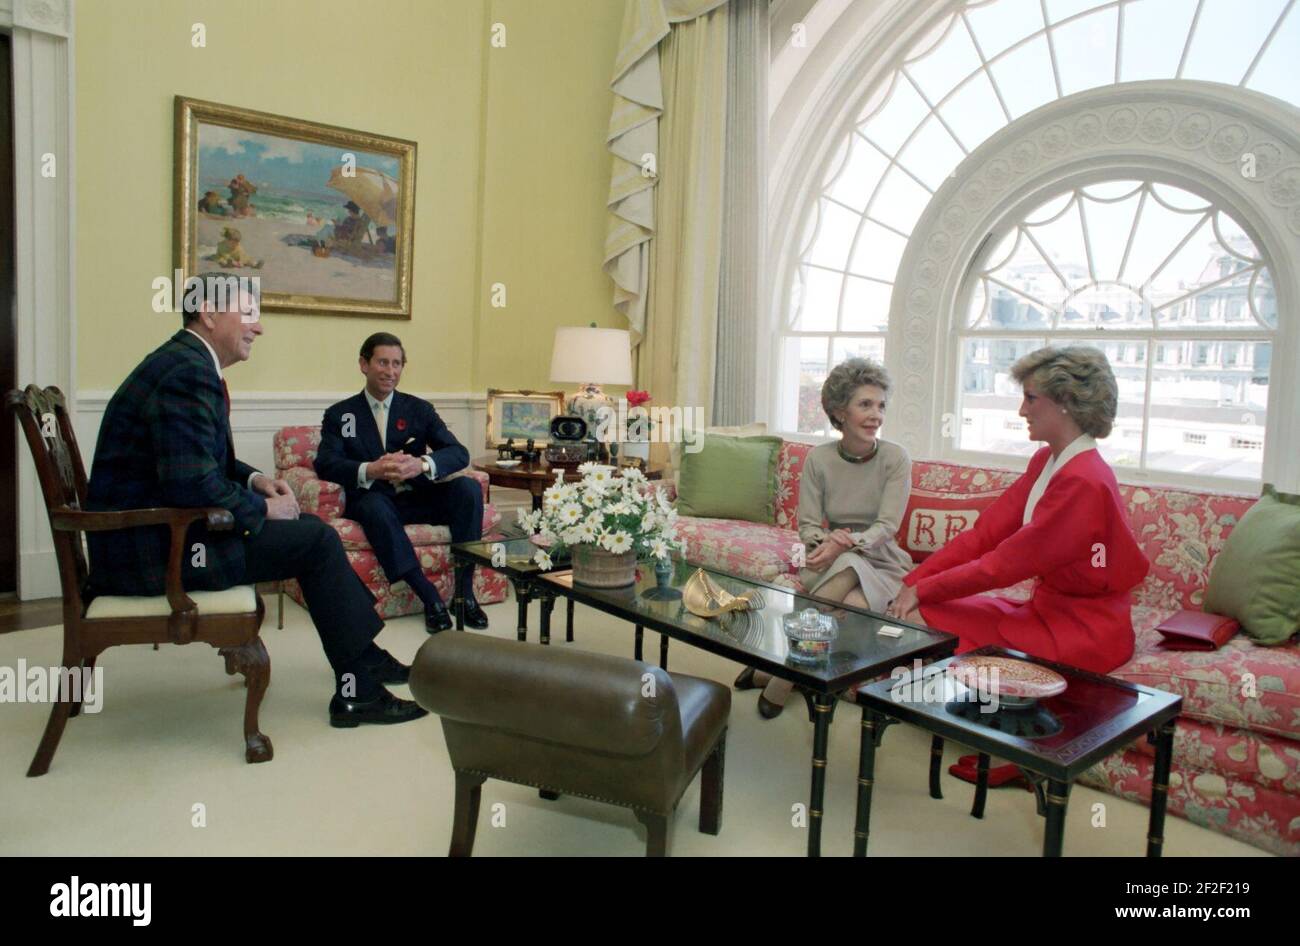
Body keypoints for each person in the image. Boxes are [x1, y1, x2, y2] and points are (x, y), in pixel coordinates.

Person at [85, 274, 426, 727]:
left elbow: (209, 464)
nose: (258, 327)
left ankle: (362, 658)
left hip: (160, 536)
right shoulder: (186, 373)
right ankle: (358, 689)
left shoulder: (185, 363)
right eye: (247, 314)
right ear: (208, 313)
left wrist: (259, 482)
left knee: (313, 535)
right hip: (156, 549)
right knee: (317, 542)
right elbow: (188, 485)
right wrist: (264, 510)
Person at [885, 345, 1149, 785]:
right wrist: (911, 582)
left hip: (1085, 630)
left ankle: (1026, 752)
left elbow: (1002, 566)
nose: (1021, 409)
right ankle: (1001, 731)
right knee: (928, 614)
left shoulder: (1084, 479)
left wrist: (923, 590)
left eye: (1031, 399)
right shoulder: (1047, 460)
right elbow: (985, 535)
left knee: (933, 611)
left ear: (1064, 402)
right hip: (1044, 612)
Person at [738, 358, 914, 719]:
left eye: (881, 405)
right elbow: (807, 526)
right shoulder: (819, 459)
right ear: (839, 411)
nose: (876, 415)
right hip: (825, 561)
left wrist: (846, 542)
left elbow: (886, 527)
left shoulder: (896, 459)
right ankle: (795, 674)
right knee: (849, 586)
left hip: (882, 562)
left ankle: (779, 671)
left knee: (856, 595)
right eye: (865, 404)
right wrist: (828, 544)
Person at [314, 333, 489, 633]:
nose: (390, 371)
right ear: (363, 364)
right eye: (382, 362)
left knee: (468, 489)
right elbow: (326, 463)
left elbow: (459, 453)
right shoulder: (342, 415)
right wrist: (371, 469)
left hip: (417, 497)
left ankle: (464, 593)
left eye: (397, 364)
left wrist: (420, 464)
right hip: (375, 501)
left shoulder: (418, 410)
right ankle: (429, 596)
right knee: (373, 506)